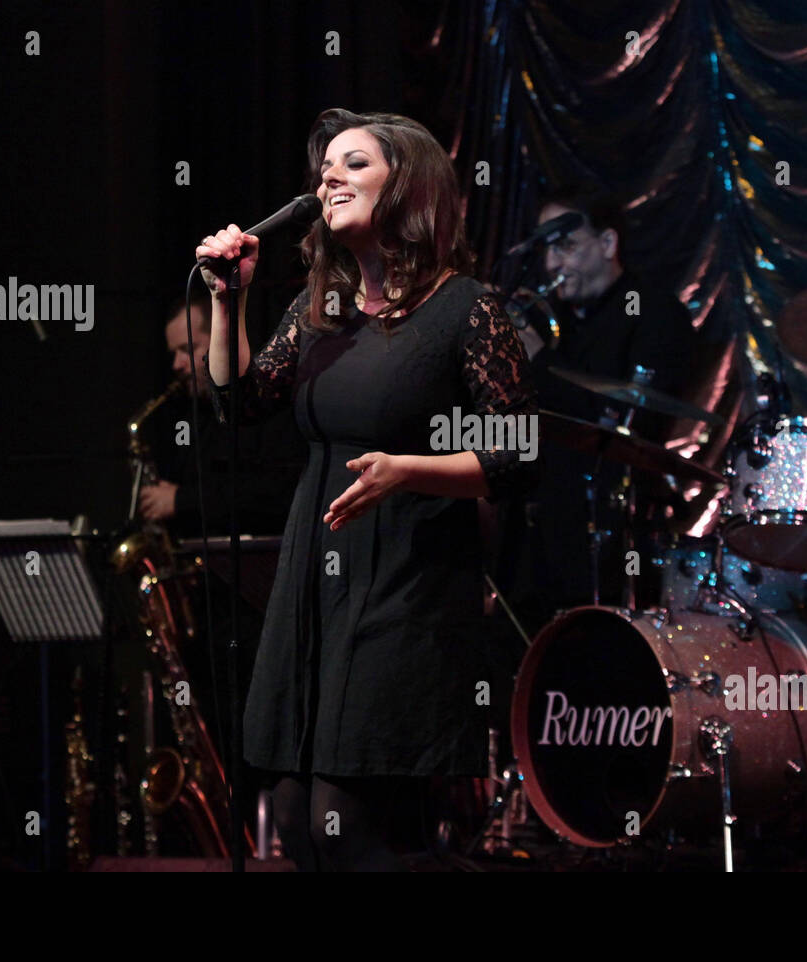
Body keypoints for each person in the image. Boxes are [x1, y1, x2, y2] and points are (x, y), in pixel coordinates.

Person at [196, 108, 537, 871]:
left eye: (354, 164)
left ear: (407, 187)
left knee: (348, 816)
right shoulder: (323, 310)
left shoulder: (466, 310)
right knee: (291, 805)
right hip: (316, 577)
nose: (329, 177)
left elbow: (518, 454)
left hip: (408, 580)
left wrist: (405, 469)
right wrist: (228, 299)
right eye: (325, 167)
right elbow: (241, 403)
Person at [496, 188, 699, 630]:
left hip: (614, 528)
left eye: (566, 247)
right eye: (547, 249)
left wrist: (538, 362)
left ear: (608, 245)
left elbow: (623, 423)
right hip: (540, 522)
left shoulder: (656, 315)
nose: (552, 265)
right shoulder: (557, 320)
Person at [139, 291, 306, 538]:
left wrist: (180, 500)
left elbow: (276, 493)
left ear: (220, 339)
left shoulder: (267, 403)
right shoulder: (191, 413)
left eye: (187, 349)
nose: (176, 364)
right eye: (174, 353)